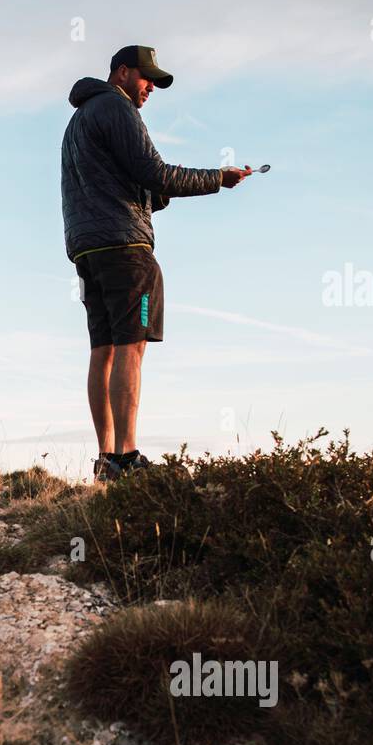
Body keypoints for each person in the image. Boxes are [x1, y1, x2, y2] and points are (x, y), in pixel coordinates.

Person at [61, 45, 249, 482]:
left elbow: (124, 185)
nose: (150, 88)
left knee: (102, 348)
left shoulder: (78, 121)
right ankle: (127, 457)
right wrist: (217, 180)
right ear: (121, 72)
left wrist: (153, 197)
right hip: (126, 249)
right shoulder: (118, 109)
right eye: (146, 78)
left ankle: (106, 458)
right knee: (131, 345)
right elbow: (156, 173)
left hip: (87, 249)